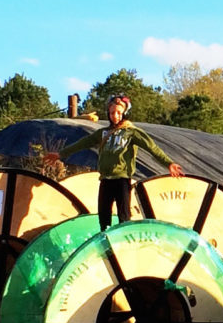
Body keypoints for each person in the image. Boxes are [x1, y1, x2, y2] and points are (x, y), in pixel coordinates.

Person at [58, 94, 184, 227]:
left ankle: (124, 237)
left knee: (124, 216)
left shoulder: (131, 132)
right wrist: (60, 154)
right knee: (103, 217)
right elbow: (83, 143)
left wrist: (168, 163)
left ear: (125, 113)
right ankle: (106, 239)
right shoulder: (103, 133)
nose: (115, 116)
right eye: (112, 112)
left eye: (119, 112)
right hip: (106, 179)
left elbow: (152, 147)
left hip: (122, 179)